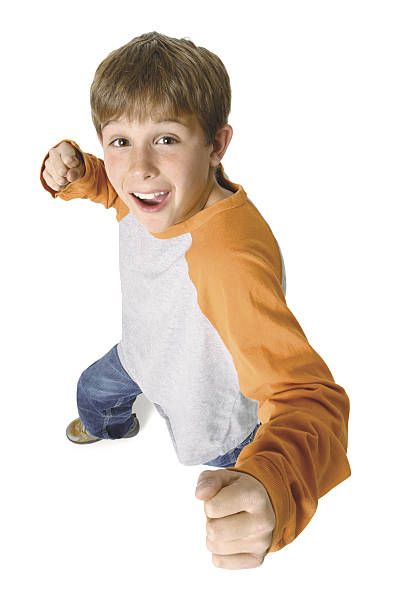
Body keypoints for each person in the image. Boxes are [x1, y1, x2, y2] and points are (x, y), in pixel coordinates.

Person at [39, 31, 351, 568]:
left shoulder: (226, 261)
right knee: (92, 392)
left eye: (165, 139)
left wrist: (273, 480)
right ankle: (112, 425)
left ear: (217, 145)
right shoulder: (157, 192)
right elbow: (117, 189)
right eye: (119, 141)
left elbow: (306, 395)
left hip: (207, 394)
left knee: (220, 457)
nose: (139, 168)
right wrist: (79, 173)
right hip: (142, 352)